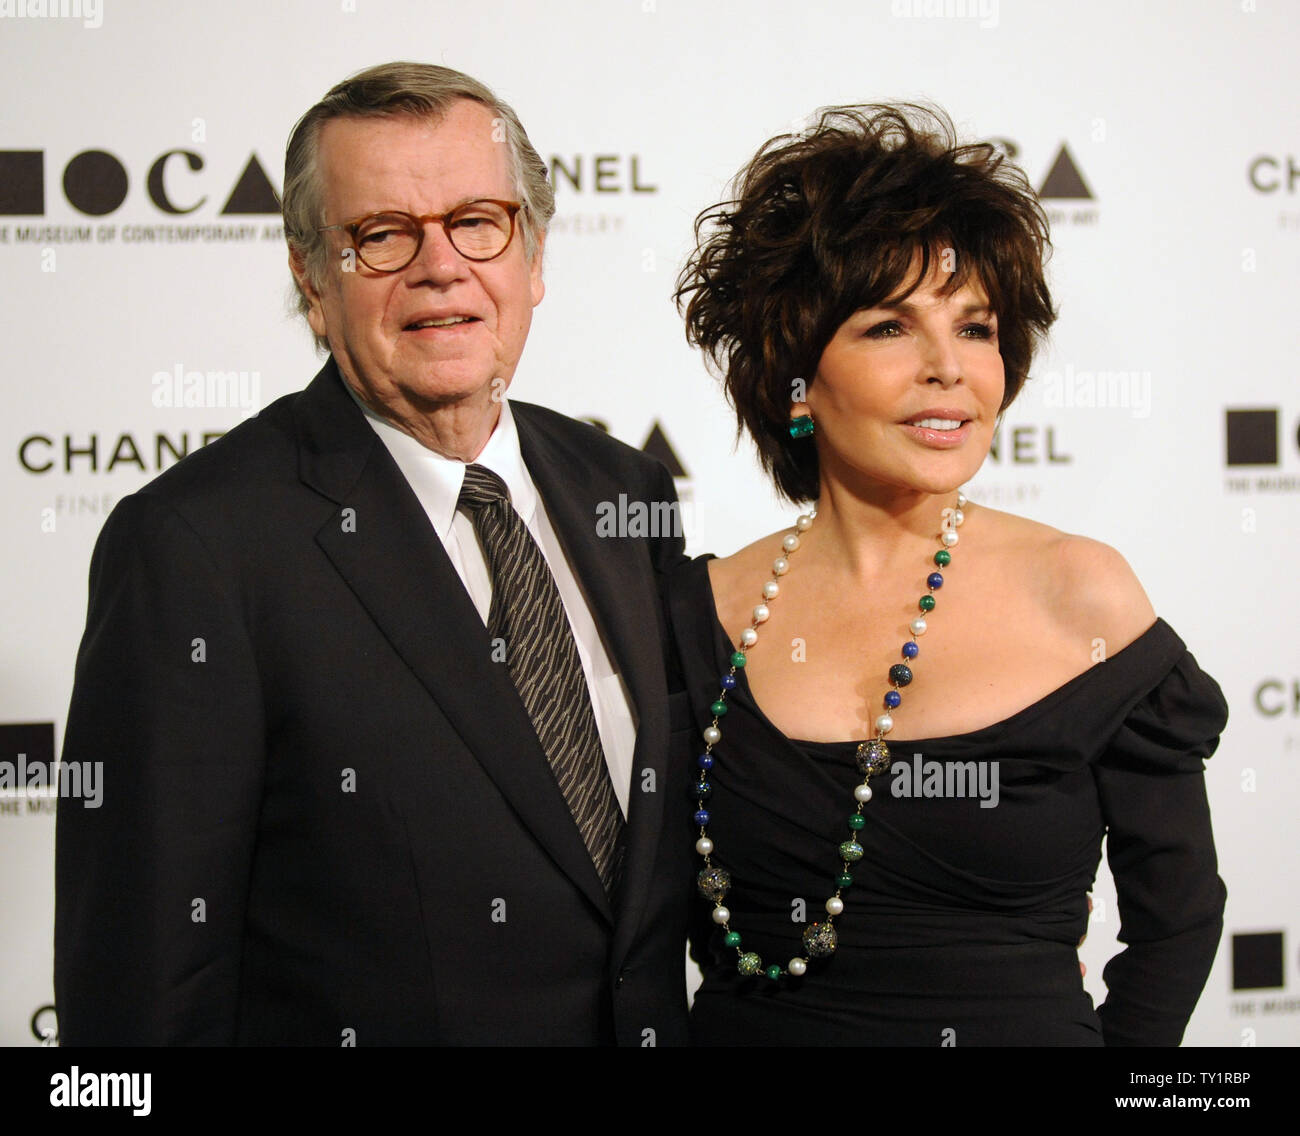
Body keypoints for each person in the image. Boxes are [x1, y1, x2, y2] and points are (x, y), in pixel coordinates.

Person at [54, 62, 692, 1046]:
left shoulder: (624, 491)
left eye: (479, 220)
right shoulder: (196, 546)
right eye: (382, 235)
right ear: (312, 277)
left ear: (533, 253)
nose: (442, 265)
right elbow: (142, 984)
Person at [668, 104, 1227, 1046]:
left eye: (976, 329)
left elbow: (1177, 920)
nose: (948, 369)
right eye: (889, 327)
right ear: (794, 378)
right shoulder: (698, 608)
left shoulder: (1080, 592)